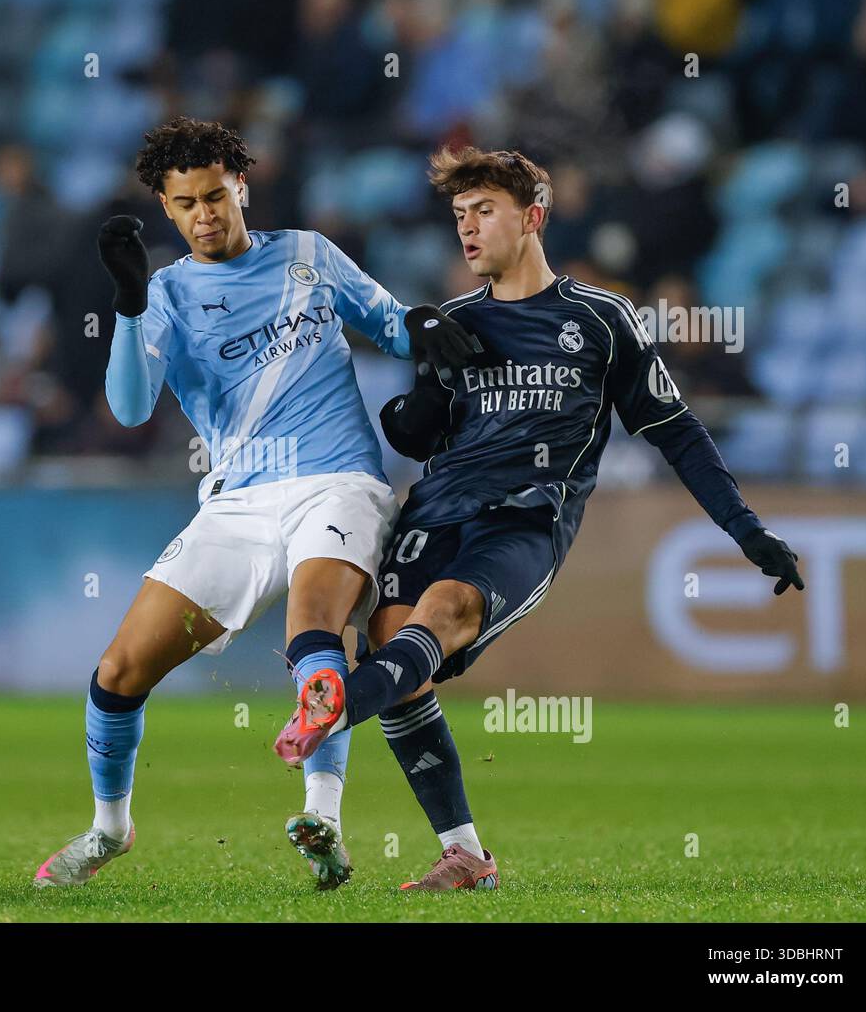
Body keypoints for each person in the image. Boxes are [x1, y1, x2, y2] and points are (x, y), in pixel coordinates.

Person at [273, 147, 804, 891]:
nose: (467, 228)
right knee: (397, 648)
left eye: (483, 210)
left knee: (443, 612)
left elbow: (675, 431)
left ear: (533, 217)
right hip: (434, 511)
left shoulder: (600, 318)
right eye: (458, 215)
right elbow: (411, 435)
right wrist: (431, 385)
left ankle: (330, 713)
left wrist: (747, 530)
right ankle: (464, 854)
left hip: (525, 519)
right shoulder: (451, 321)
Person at [34, 117, 476, 890]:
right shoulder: (166, 293)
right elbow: (131, 410)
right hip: (236, 505)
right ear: (167, 211)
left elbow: (391, 326)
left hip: (338, 483)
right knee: (119, 670)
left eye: (214, 195)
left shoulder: (307, 255)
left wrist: (430, 322)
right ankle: (110, 829)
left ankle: (325, 818)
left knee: (315, 626)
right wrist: (132, 306)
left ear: (242, 186)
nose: (203, 215)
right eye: (185, 204)